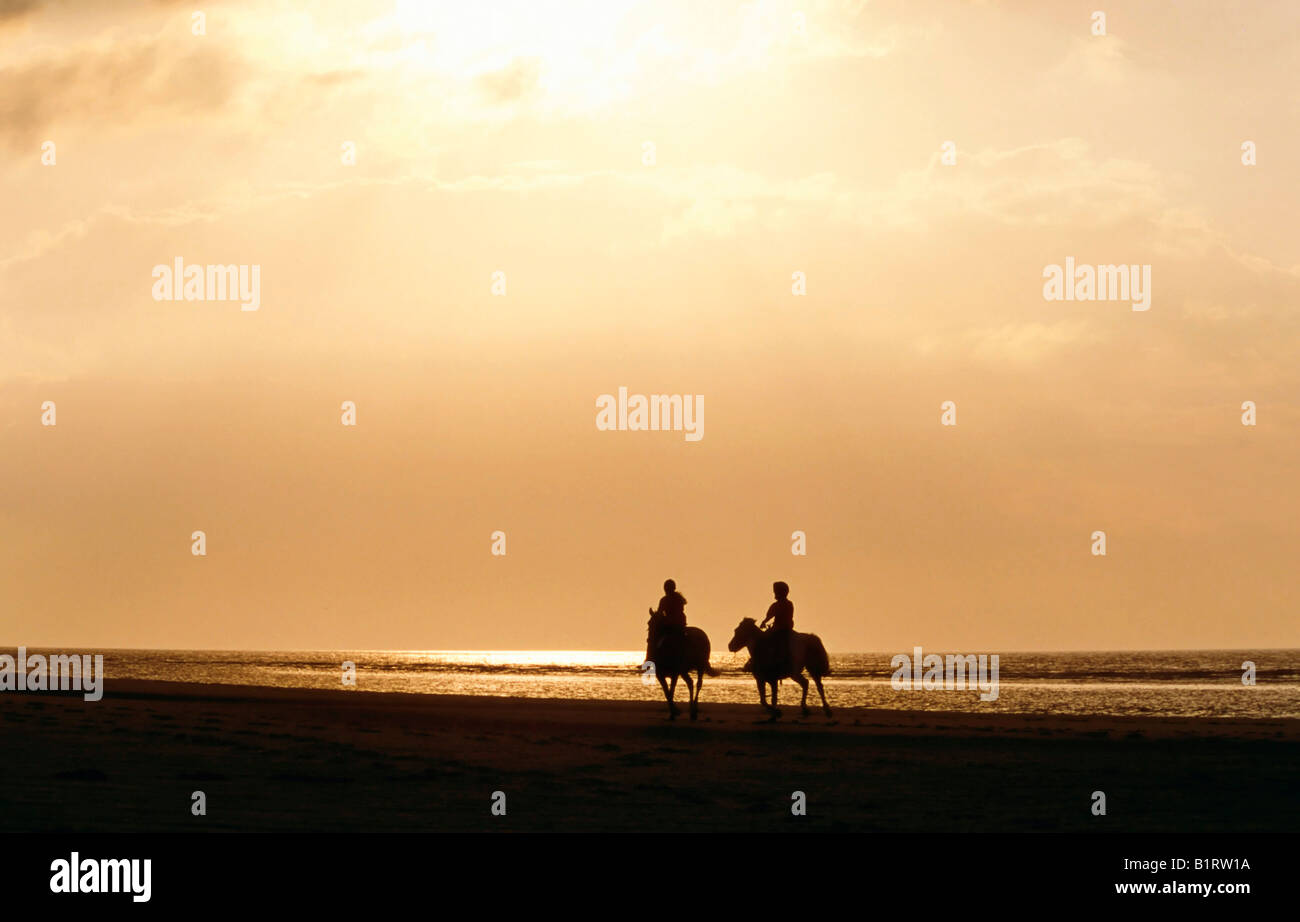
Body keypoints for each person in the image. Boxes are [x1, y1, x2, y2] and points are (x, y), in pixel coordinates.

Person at [759, 581, 794, 673]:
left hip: (779, 628)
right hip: (788, 627)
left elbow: (769, 616)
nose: (774, 593)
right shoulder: (789, 603)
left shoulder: (776, 605)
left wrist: (763, 623)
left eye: (775, 592)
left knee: (762, 640)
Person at [651, 579, 687, 655]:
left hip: (675, 624)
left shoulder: (673, 599)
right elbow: (660, 612)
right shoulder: (666, 599)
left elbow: (661, 613)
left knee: (655, 637)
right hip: (676, 622)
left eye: (667, 588)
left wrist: (663, 618)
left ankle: (652, 656)